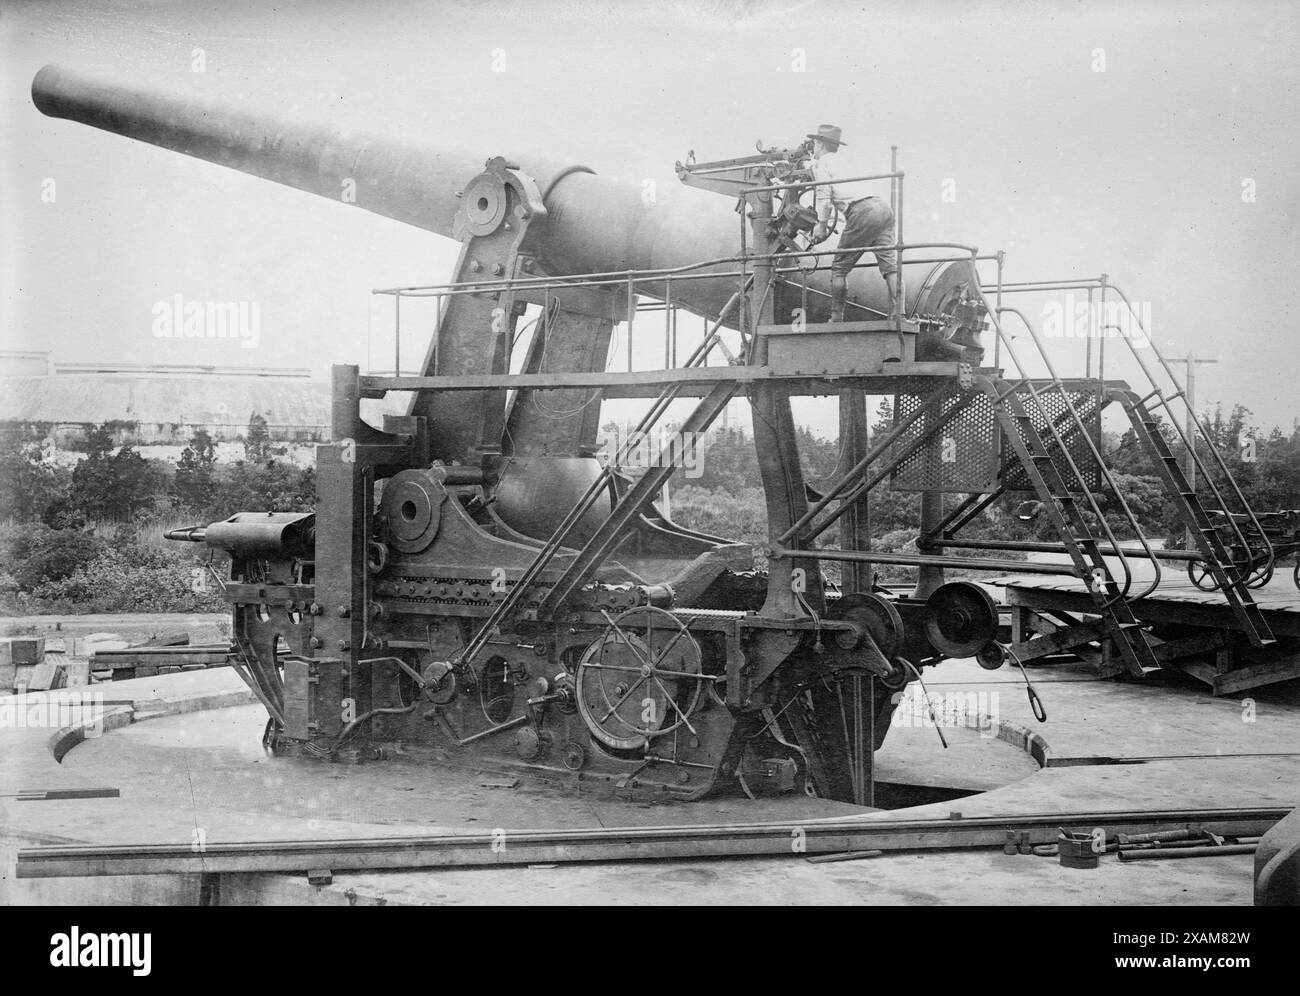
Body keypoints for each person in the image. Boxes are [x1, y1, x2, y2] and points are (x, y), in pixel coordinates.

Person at [807, 124, 900, 322]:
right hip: (883, 208)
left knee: (839, 268)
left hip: (861, 212)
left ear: (821, 144)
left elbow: (824, 198)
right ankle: (898, 315)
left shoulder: (821, 164)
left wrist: (821, 226)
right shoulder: (848, 161)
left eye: (814, 144)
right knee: (891, 267)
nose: (812, 148)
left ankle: (836, 318)